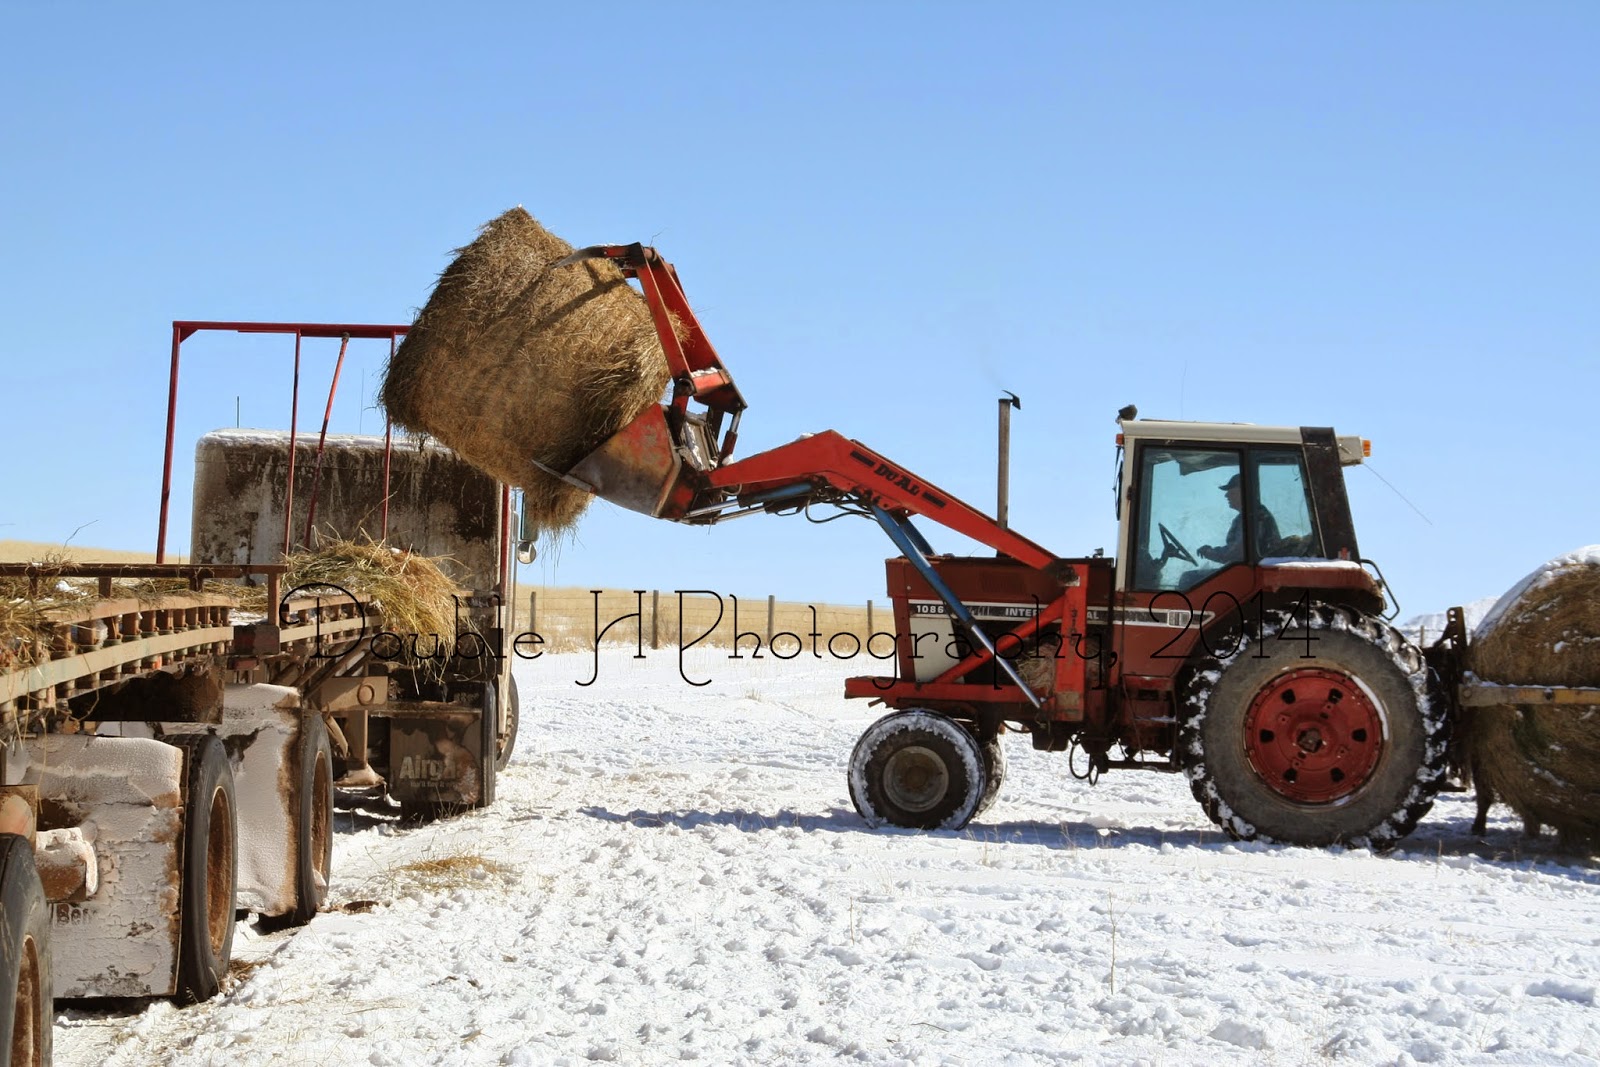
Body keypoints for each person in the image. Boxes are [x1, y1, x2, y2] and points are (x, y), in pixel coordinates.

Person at [1198, 473, 1280, 564]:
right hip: (1253, 568)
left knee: (1189, 577)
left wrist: (1209, 552)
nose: (1226, 495)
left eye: (1231, 492)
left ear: (1244, 492)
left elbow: (1237, 553)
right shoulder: (1251, 514)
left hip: (1253, 571)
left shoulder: (1253, 516)